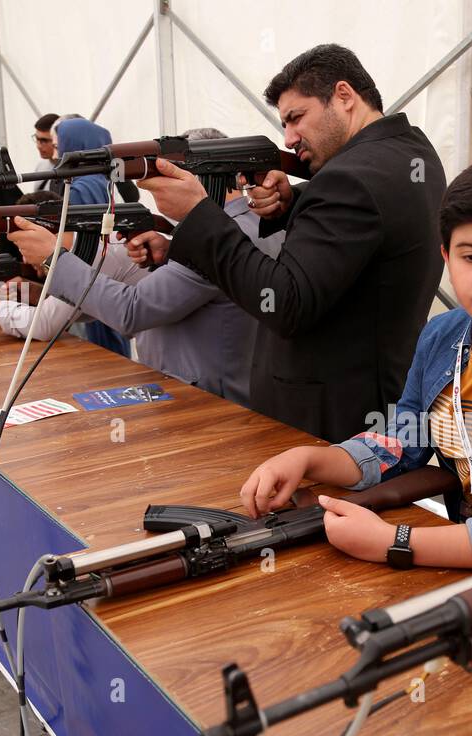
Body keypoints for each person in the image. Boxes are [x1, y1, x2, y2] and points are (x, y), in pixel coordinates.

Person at [238, 160, 472, 571]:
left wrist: (395, 541)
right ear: (447, 257)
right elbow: (404, 442)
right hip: (467, 571)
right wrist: (307, 459)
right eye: (471, 257)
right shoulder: (442, 336)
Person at [141, 43, 446, 442]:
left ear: (344, 96)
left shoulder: (348, 180)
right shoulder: (413, 151)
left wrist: (199, 215)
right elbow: (370, 230)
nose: (288, 139)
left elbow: (285, 301)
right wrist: (293, 203)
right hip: (376, 399)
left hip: (330, 422)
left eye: (296, 118)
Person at [0, 130, 284, 405]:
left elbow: (131, 311)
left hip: (206, 403)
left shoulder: (218, 236)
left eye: (172, 174)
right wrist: (171, 251)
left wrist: (54, 258)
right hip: (224, 393)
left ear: (201, 175)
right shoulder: (261, 223)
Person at [32, 112, 60, 192]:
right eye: (37, 139)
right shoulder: (41, 166)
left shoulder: (74, 171)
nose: (38, 146)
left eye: (44, 140)